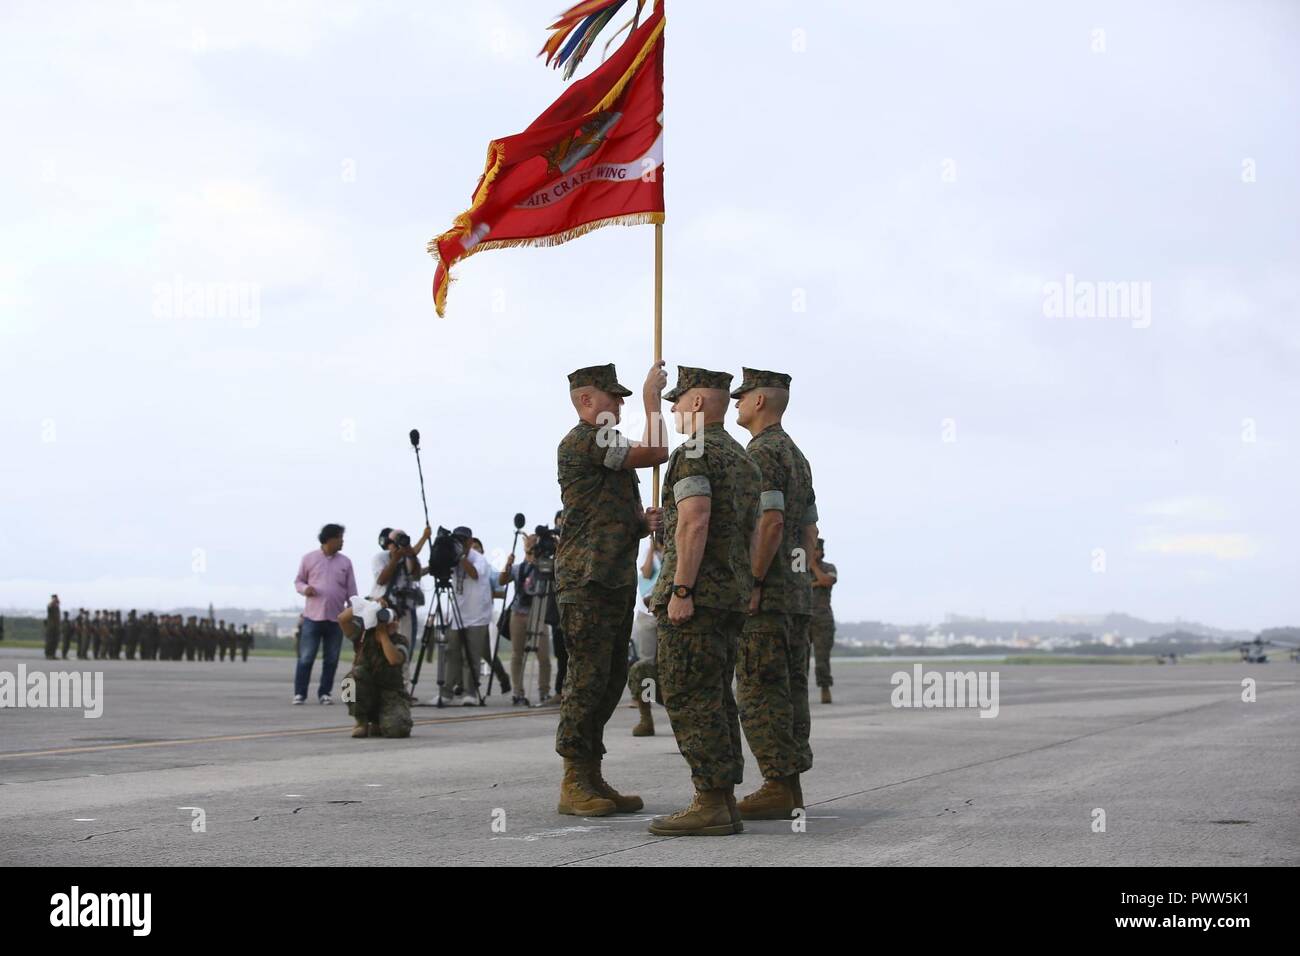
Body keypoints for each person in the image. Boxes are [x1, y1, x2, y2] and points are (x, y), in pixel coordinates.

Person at [647, 366, 761, 837]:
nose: (673, 407)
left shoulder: (694, 452)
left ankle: (711, 800)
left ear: (697, 403)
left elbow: (695, 521)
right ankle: (723, 799)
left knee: (690, 695)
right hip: (729, 597)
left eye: (677, 400)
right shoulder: (742, 459)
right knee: (715, 696)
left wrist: (681, 589)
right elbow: (751, 532)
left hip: (695, 597)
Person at [553, 361, 667, 818]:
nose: (618, 404)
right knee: (587, 679)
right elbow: (657, 451)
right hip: (587, 579)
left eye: (623, 397)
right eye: (612, 397)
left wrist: (642, 524)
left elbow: (609, 513)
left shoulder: (607, 443)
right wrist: (651, 400)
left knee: (609, 679)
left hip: (613, 577)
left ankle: (592, 773)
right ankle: (574, 780)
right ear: (586, 400)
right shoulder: (587, 438)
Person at [731, 368, 819, 820]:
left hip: (769, 597)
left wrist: (755, 581)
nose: (736, 403)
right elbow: (809, 528)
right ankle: (790, 786)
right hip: (797, 595)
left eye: (741, 396)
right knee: (789, 690)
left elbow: (771, 522)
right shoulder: (796, 455)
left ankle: (777, 784)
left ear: (760, 401)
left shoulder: (762, 453)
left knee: (759, 691)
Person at [293, 523, 358, 705]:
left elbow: (351, 590)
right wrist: (306, 589)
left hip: (336, 619)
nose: (342, 541)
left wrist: (353, 611)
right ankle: (300, 693)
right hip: (312, 617)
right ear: (329, 539)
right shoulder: (309, 558)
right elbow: (298, 581)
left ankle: (325, 693)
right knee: (306, 657)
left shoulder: (345, 562)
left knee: (331, 659)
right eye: (339, 538)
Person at [438, 527, 496, 706]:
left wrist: (461, 556)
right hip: (458, 615)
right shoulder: (454, 557)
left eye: (463, 540)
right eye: (457, 540)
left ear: (470, 542)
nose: (460, 544)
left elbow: (474, 573)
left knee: (471, 656)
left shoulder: (479, 559)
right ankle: (446, 693)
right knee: (452, 653)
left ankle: (470, 692)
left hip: (477, 616)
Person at [339, 597, 412, 739]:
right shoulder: (363, 635)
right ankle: (361, 722)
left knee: (398, 730)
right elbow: (342, 619)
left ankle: (379, 722)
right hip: (367, 690)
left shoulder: (400, 640)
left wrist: (383, 635)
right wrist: (368, 606)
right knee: (350, 680)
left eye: (393, 618)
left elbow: (394, 659)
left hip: (391, 693)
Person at [371, 526, 431, 698]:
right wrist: (395, 559)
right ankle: (379, 689)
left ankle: (402, 689)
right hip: (384, 607)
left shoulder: (408, 558)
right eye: (393, 543)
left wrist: (410, 554)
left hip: (405, 610)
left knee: (404, 648)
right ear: (387, 544)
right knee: (380, 650)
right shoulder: (380, 558)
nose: (396, 546)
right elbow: (382, 579)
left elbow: (415, 574)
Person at [505, 534, 553, 706]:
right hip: (518, 614)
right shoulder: (518, 568)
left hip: (538, 615)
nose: (531, 547)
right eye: (529, 544)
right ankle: (517, 692)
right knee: (517, 655)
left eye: (534, 544)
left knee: (544, 657)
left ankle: (544, 691)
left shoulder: (544, 566)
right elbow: (502, 580)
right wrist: (508, 565)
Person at [626, 538, 663, 735]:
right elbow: (647, 572)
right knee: (645, 666)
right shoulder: (651, 555)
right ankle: (646, 715)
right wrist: (652, 549)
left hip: (669, 614)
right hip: (648, 615)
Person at [809, 538, 838, 703]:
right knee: (798, 659)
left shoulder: (829, 568)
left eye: (817, 550)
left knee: (822, 658)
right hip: (803, 618)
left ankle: (825, 687)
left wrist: (813, 567)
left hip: (822, 619)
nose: (814, 553)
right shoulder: (799, 568)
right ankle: (798, 692)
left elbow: (827, 581)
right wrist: (816, 582)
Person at [44, 595, 61, 659]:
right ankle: (48, 655)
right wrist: (53, 601)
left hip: (56, 627)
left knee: (55, 642)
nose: (56, 600)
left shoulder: (57, 608)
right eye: (55, 599)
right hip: (51, 627)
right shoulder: (50, 606)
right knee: (50, 641)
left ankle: (53, 654)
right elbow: (49, 607)